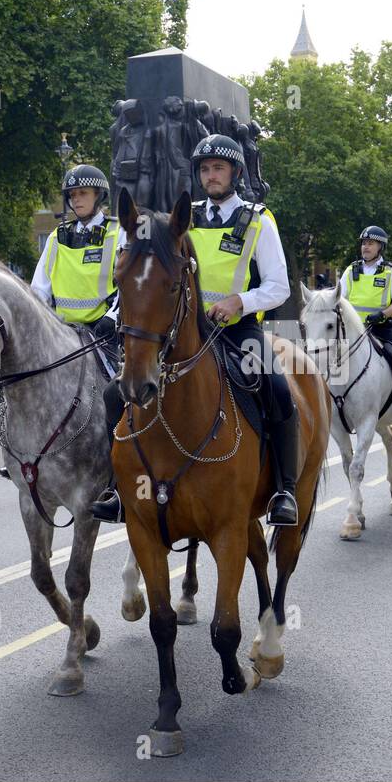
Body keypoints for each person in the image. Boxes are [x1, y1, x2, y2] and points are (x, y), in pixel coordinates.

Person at [91, 133, 300, 527]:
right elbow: (147, 278)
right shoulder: (178, 221)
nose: (211, 176)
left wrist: (240, 302)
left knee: (275, 386)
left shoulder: (257, 219)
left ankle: (283, 490)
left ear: (235, 173)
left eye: (218, 168)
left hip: (236, 332)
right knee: (114, 394)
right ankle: (117, 490)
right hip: (181, 333)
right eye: (204, 169)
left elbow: (278, 287)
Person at [7, 165, 122, 481]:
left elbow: (129, 285)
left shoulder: (118, 231)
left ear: (99, 196)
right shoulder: (58, 237)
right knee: (27, 385)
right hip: (63, 333)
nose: (77, 200)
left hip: (105, 334)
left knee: (121, 393)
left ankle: (118, 467)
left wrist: (112, 318)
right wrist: (40, 325)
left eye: (83, 193)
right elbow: (39, 290)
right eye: (72, 195)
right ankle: (19, 453)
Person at [339, 225, 392, 422]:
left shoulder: (391, 271)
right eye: (364, 243)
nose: (365, 247)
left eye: (370, 243)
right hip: (355, 329)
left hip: (382, 327)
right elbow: (339, 298)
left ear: (380, 247)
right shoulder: (351, 270)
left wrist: (383, 314)